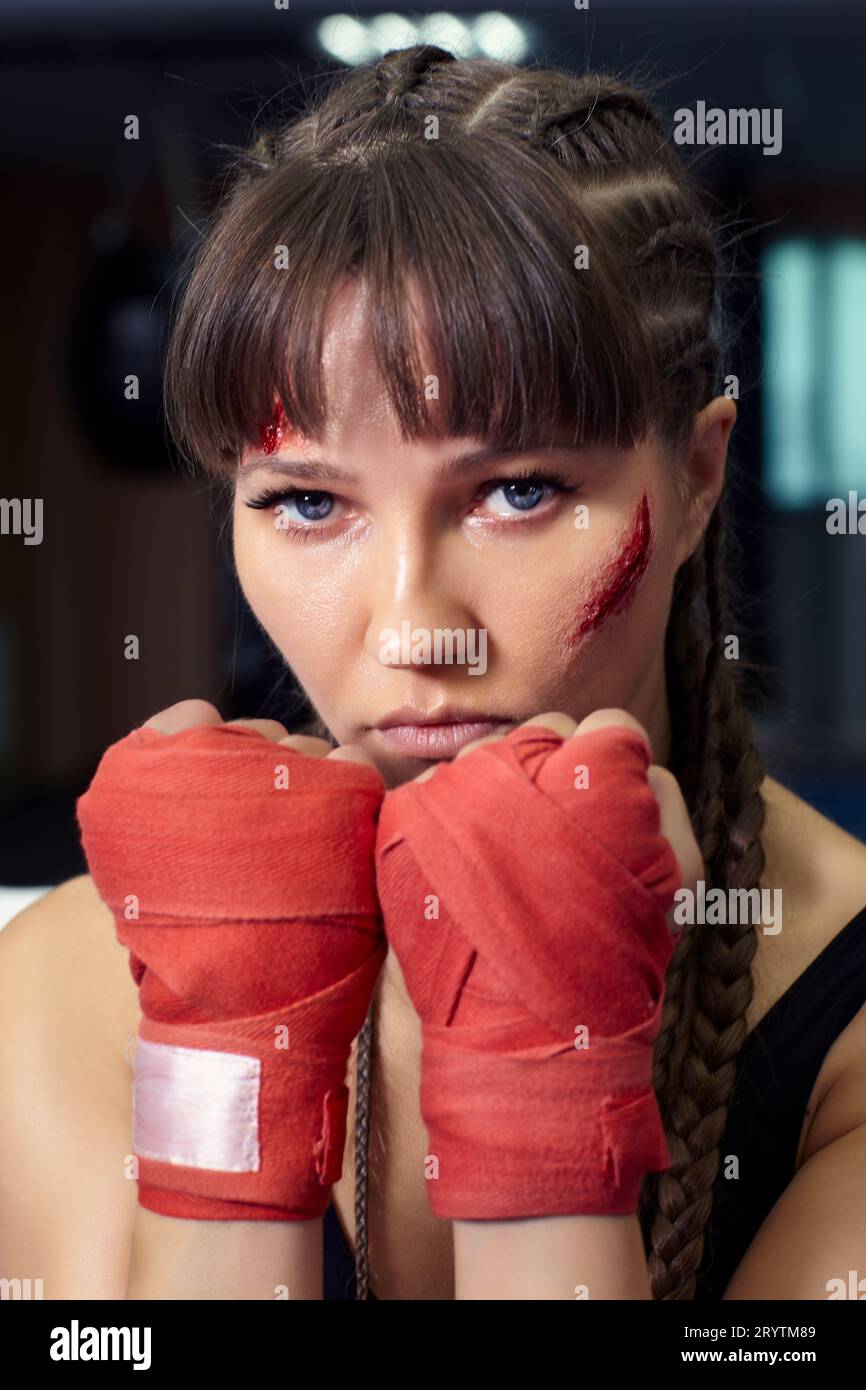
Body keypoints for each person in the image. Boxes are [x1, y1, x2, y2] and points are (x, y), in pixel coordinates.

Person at [2, 44, 865, 1302]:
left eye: (517, 491)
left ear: (692, 478)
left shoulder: (841, 1026)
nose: (415, 625)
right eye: (306, 502)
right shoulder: (65, 989)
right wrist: (228, 1061)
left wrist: (540, 1089)